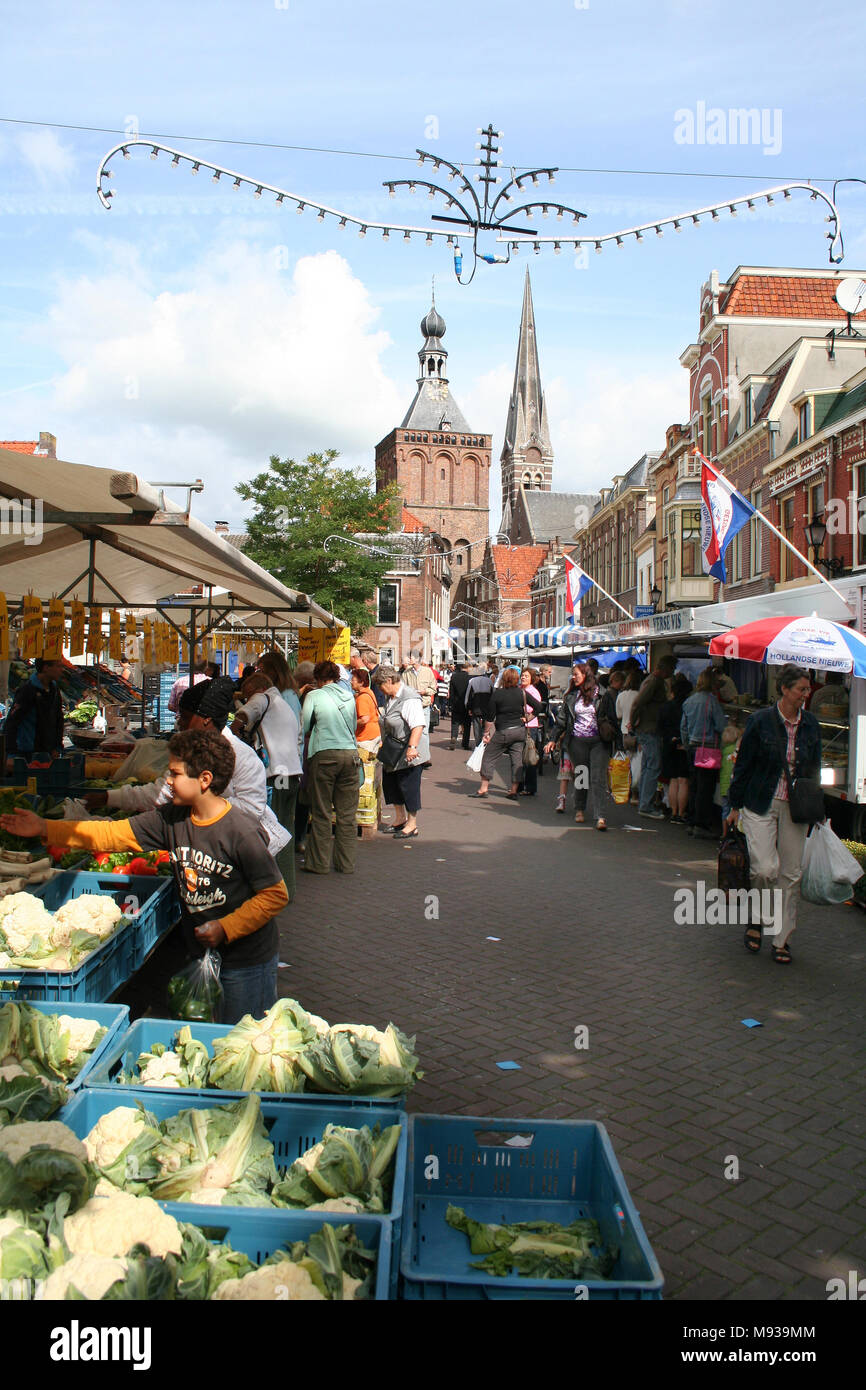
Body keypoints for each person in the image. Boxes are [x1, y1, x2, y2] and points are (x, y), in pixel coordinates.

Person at [2, 729, 288, 1023]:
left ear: (204, 779)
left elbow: (275, 894)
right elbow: (112, 834)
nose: (168, 781)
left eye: (175, 774)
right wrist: (45, 828)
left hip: (247, 962)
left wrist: (227, 927)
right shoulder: (169, 819)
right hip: (202, 954)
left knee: (242, 1036)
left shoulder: (240, 830)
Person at [725, 664, 821, 964]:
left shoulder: (811, 725)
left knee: (791, 874)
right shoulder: (760, 721)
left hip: (795, 806)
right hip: (760, 800)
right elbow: (744, 766)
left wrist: (815, 807)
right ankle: (757, 919)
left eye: (807, 690)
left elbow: (814, 769)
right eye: (800, 690)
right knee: (765, 868)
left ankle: (782, 938)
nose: (805, 695)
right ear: (784, 689)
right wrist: (734, 806)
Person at [233, 671, 302, 898]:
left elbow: (245, 714)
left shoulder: (264, 699)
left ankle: (276, 890)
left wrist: (232, 732)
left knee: (275, 832)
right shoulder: (283, 704)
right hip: (292, 773)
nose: (247, 698)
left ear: (256, 690)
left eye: (247, 694)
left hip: (278, 774)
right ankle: (287, 887)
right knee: (286, 830)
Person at [301, 659, 360, 874]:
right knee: (347, 814)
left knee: (322, 812)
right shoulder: (350, 697)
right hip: (350, 756)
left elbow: (304, 725)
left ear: (317, 678)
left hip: (324, 755)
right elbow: (352, 727)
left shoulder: (314, 695)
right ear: (336, 677)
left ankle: (319, 863)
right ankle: (346, 863)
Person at [546, 663, 611, 831]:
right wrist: (553, 739)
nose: (573, 677)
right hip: (577, 742)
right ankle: (580, 809)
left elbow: (612, 720)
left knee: (598, 778)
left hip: (599, 742)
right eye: (573, 675)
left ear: (585, 674)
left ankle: (601, 816)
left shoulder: (603, 694)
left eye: (576, 674)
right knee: (582, 776)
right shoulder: (571, 696)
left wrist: (617, 744)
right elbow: (562, 721)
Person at [375, 665, 429, 837]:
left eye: (381, 685)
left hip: (407, 751)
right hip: (393, 750)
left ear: (389, 681)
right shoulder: (391, 697)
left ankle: (412, 824)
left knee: (408, 786)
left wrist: (412, 748)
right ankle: (399, 819)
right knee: (391, 785)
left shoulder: (409, 698)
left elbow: (417, 725)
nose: (379, 689)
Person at [476, 668, 542, 801]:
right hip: (519, 730)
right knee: (516, 760)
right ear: (516, 679)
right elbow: (539, 706)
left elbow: (490, 716)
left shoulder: (497, 694)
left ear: (503, 679)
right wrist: (528, 718)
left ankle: (484, 788)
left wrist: (486, 733)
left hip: (503, 730)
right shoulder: (522, 693)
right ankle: (513, 790)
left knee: (489, 756)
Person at [627, 654, 676, 819]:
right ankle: (646, 806)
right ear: (666, 668)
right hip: (649, 730)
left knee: (648, 767)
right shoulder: (654, 682)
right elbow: (637, 703)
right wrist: (632, 723)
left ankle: (644, 802)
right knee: (653, 767)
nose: (673, 672)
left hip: (648, 730)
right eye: (672, 669)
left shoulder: (652, 681)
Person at [680, 669, 727, 838]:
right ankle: (701, 823)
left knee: (694, 785)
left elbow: (683, 728)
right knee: (705, 788)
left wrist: (686, 745)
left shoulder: (689, 701)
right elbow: (721, 725)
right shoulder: (711, 702)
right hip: (708, 748)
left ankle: (692, 820)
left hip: (692, 746)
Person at [3, 657, 65, 757]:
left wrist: (57, 747)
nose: (61, 669)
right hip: (27, 752)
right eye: (58, 666)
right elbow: (12, 722)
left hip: (47, 752)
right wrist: (11, 753)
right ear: (46, 668)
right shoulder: (27, 690)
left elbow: (58, 719)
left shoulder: (54, 690)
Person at [658, 673, 693, 824]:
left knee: (673, 780)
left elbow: (660, 726)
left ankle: (673, 812)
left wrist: (670, 738)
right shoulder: (689, 706)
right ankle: (681, 812)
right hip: (685, 745)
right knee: (683, 781)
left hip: (669, 744)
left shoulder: (666, 706)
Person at [257, 650, 303, 724]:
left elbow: (294, 725)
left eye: (263, 672)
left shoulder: (287, 695)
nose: (261, 676)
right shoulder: (277, 693)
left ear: (275, 672)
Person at [518, 668, 543, 796]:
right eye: (522, 675)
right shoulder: (520, 689)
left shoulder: (533, 691)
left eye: (526, 676)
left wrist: (527, 718)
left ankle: (530, 787)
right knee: (520, 757)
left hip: (530, 727)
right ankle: (519, 785)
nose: (523, 678)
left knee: (529, 757)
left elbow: (537, 708)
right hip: (519, 726)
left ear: (531, 678)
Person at [402, 650, 437, 725]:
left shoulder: (428, 671)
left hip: (424, 706)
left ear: (417, 659)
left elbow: (433, 688)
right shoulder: (406, 673)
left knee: (424, 734)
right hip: (411, 707)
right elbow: (402, 689)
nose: (408, 659)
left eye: (410, 657)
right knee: (412, 731)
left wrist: (425, 691)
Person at [466, 666, 494, 747]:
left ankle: (478, 744)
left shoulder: (472, 681)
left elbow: (468, 696)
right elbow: (493, 695)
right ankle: (484, 743)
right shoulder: (489, 681)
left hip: (476, 707)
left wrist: (468, 707)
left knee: (476, 726)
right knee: (486, 726)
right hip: (487, 707)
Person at [448, 662, 471, 750]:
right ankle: (465, 743)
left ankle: (454, 737)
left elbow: (451, 692)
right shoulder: (470, 677)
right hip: (466, 704)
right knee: (467, 724)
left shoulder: (454, 676)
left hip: (456, 703)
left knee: (455, 723)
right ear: (468, 668)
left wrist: (451, 703)